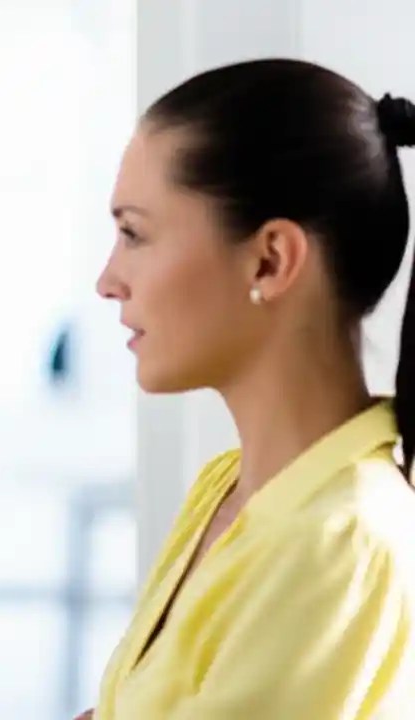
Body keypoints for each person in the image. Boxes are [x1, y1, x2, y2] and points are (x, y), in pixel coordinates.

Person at [75, 59, 415, 719]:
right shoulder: (225, 490)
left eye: (134, 234)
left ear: (270, 260)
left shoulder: (338, 541)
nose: (108, 279)